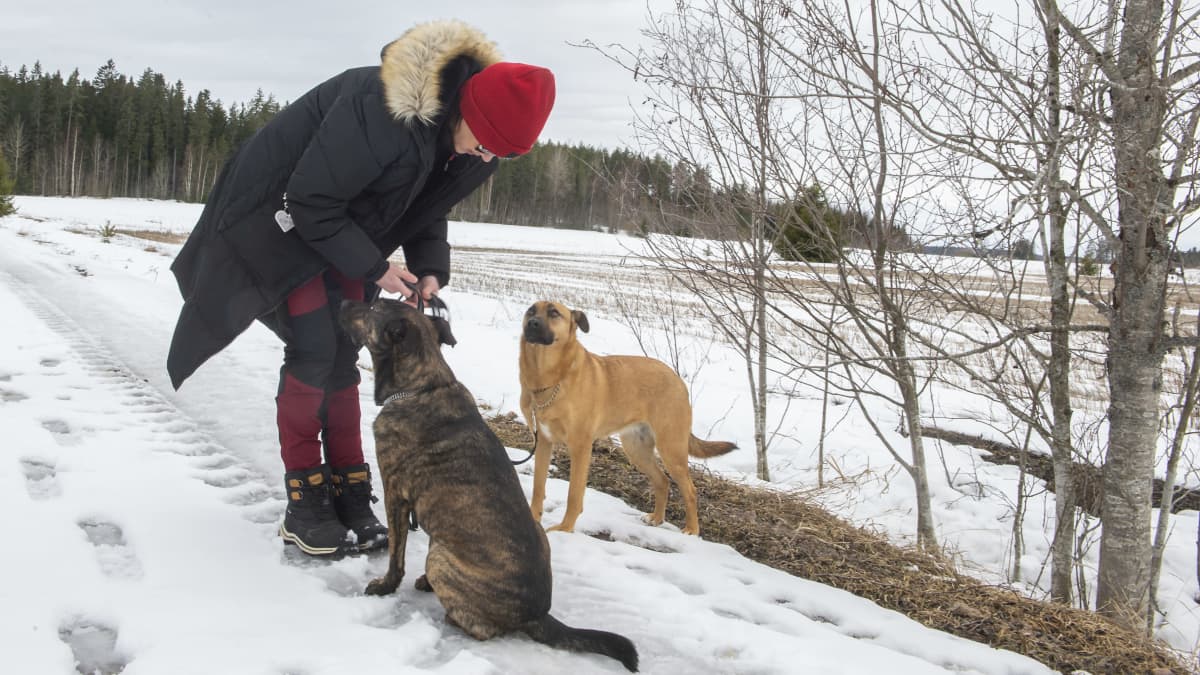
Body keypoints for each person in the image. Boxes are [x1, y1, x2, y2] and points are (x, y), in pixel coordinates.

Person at [166, 20, 556, 557]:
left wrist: (429, 270)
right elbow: (309, 202)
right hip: (278, 225)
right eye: (487, 145)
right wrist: (376, 269)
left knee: (346, 351)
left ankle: (350, 487)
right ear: (470, 111)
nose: (487, 159)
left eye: (502, 155)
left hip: (343, 231)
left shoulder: (471, 144)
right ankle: (304, 497)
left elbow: (427, 209)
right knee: (313, 350)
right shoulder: (382, 109)